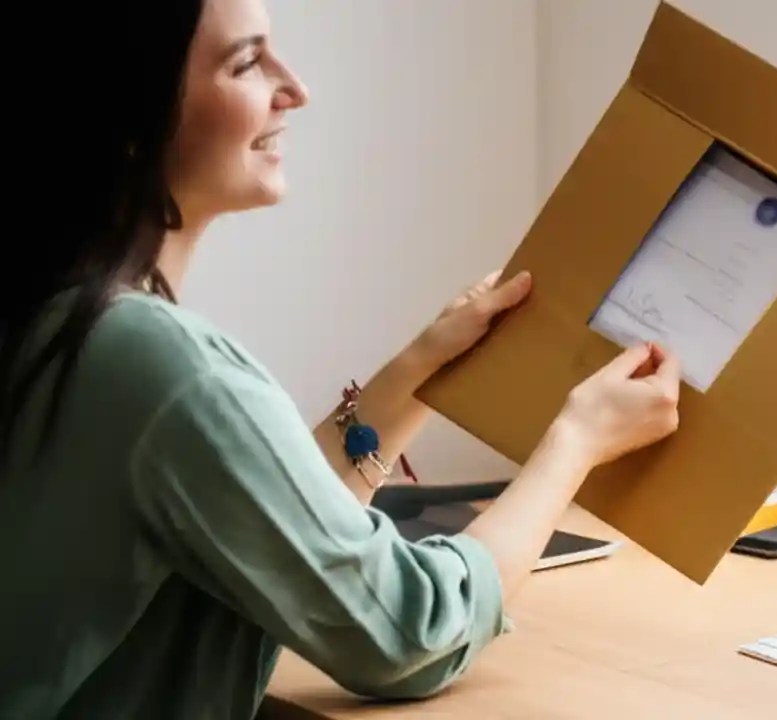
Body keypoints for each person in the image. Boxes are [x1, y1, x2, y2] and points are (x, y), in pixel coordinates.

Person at [0, 1, 681, 718]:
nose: (294, 89)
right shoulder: (162, 370)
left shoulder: (61, 322)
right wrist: (572, 446)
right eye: (246, 63)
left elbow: (268, 512)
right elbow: (408, 633)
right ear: (128, 121)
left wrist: (421, 372)